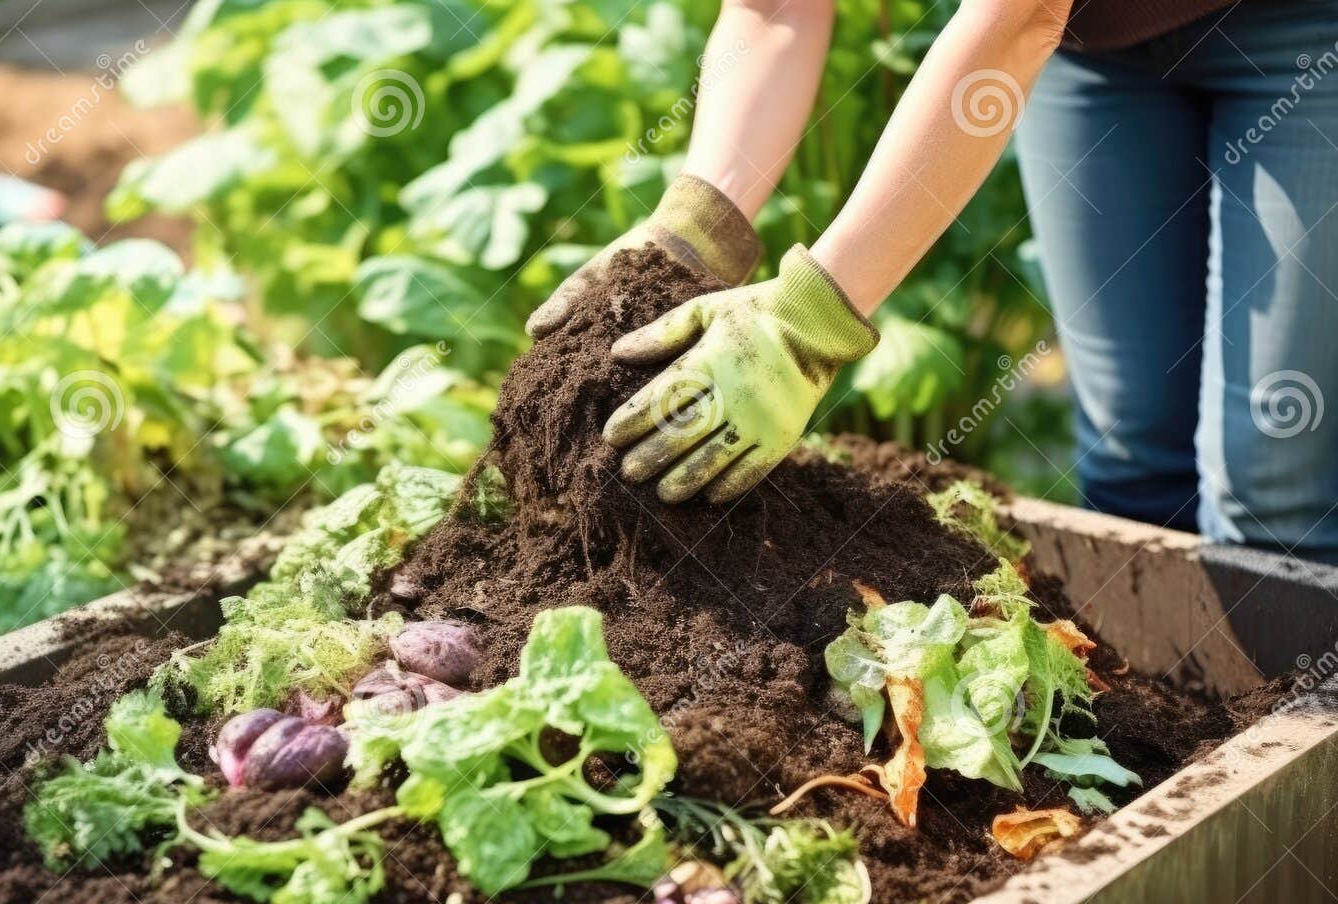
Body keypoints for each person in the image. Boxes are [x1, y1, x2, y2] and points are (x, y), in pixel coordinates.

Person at [530, 0, 1338, 562]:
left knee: (1271, 478)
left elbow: (1017, 15)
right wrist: (695, 230)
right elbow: (774, 6)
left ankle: (1296, 781)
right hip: (1094, 53)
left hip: (1298, 30)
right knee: (1134, 455)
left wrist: (807, 323)